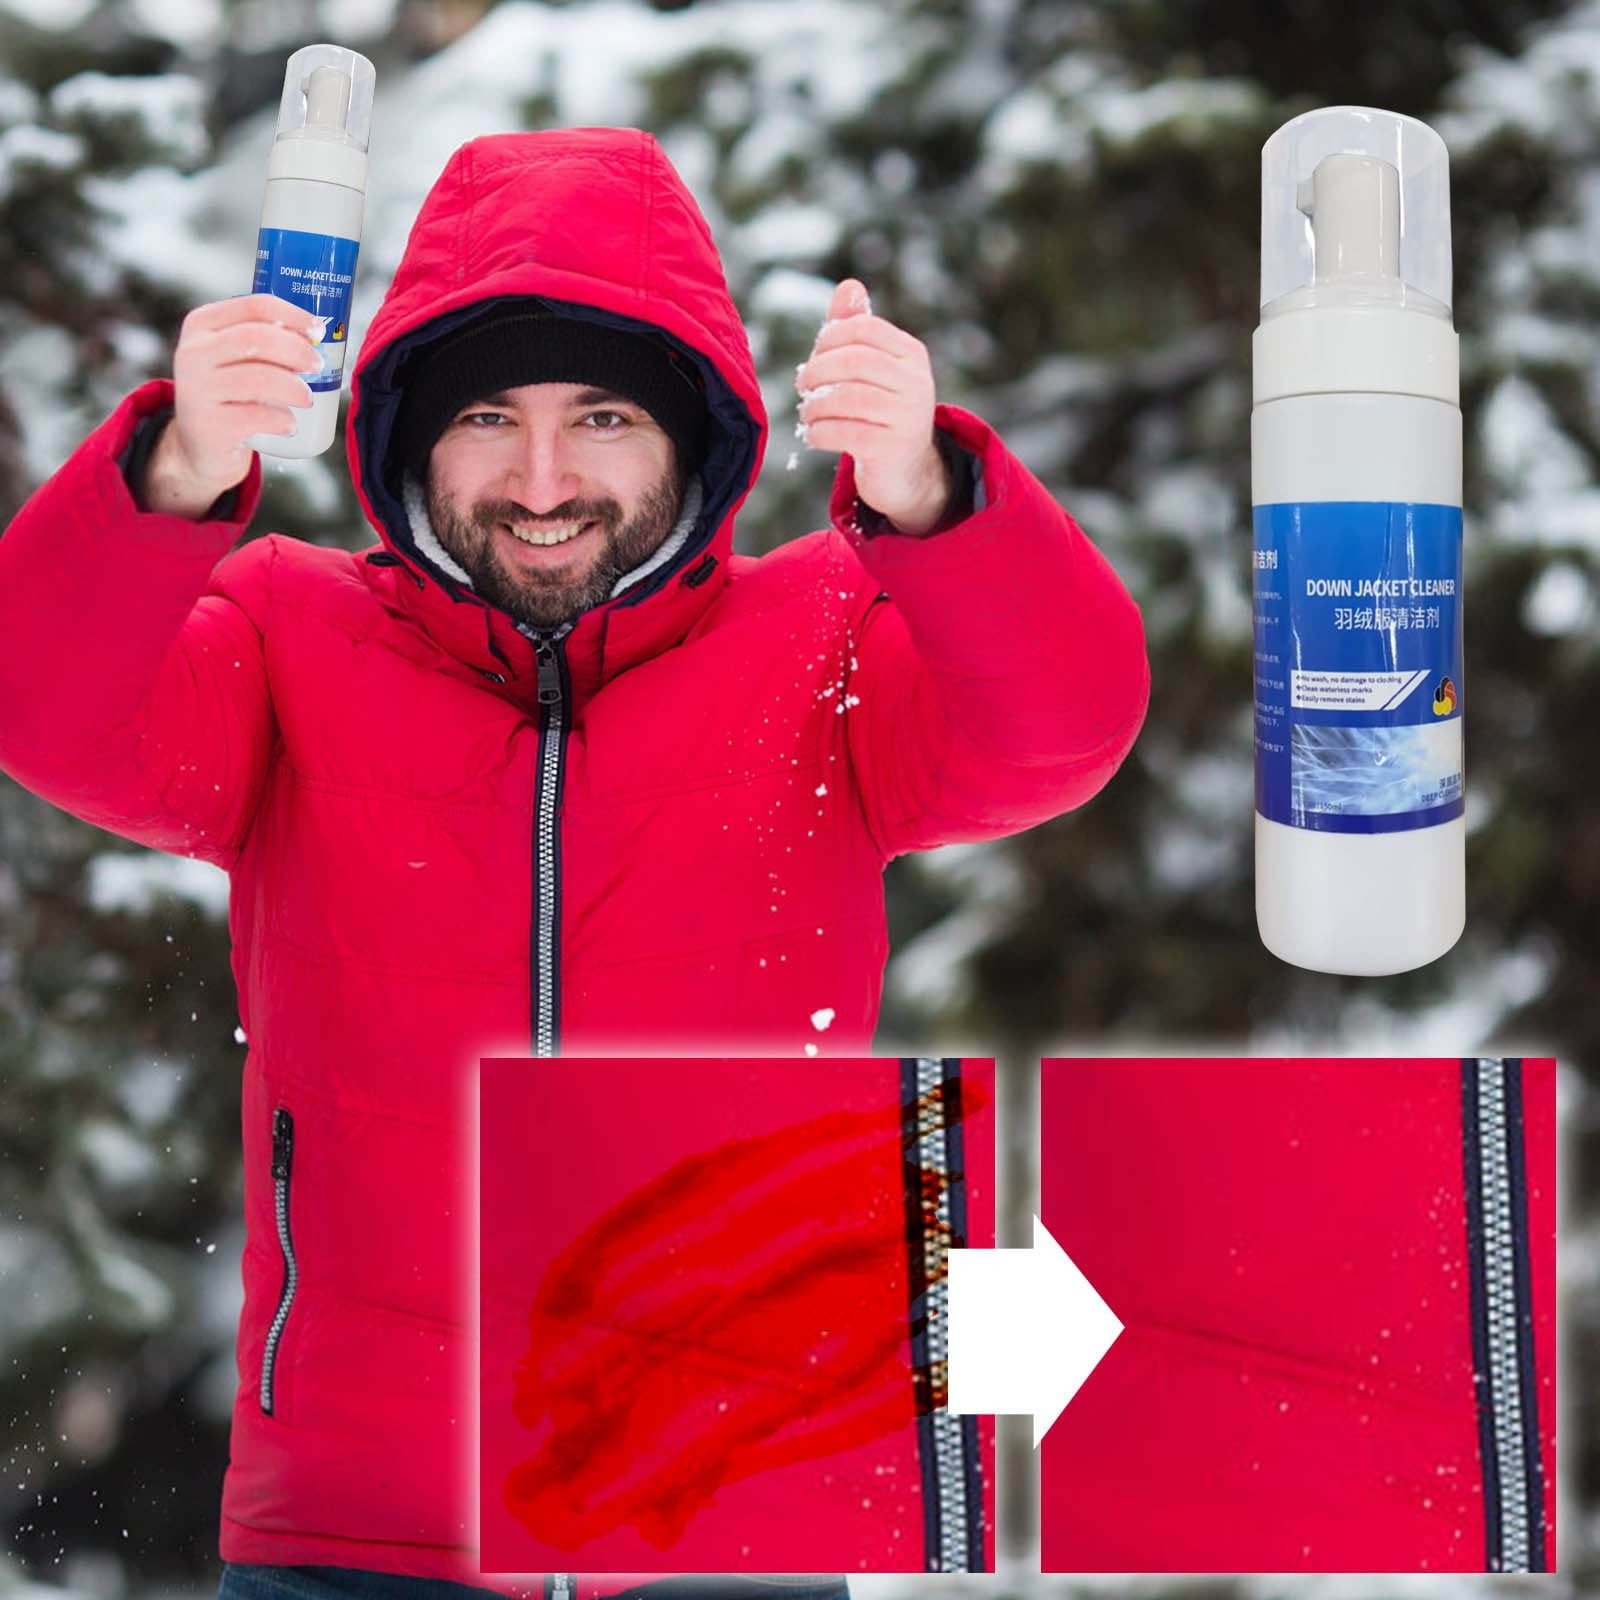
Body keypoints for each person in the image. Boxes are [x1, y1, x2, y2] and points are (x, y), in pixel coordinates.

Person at [0, 127, 1148, 1596]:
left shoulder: (825, 644)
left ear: (700, 435)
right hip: (360, 1539)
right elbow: (49, 711)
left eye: (604, 416)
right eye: (489, 415)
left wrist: (930, 495)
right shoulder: (287, 636)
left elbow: (1064, 727)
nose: (543, 477)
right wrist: (167, 475)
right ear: (410, 433)